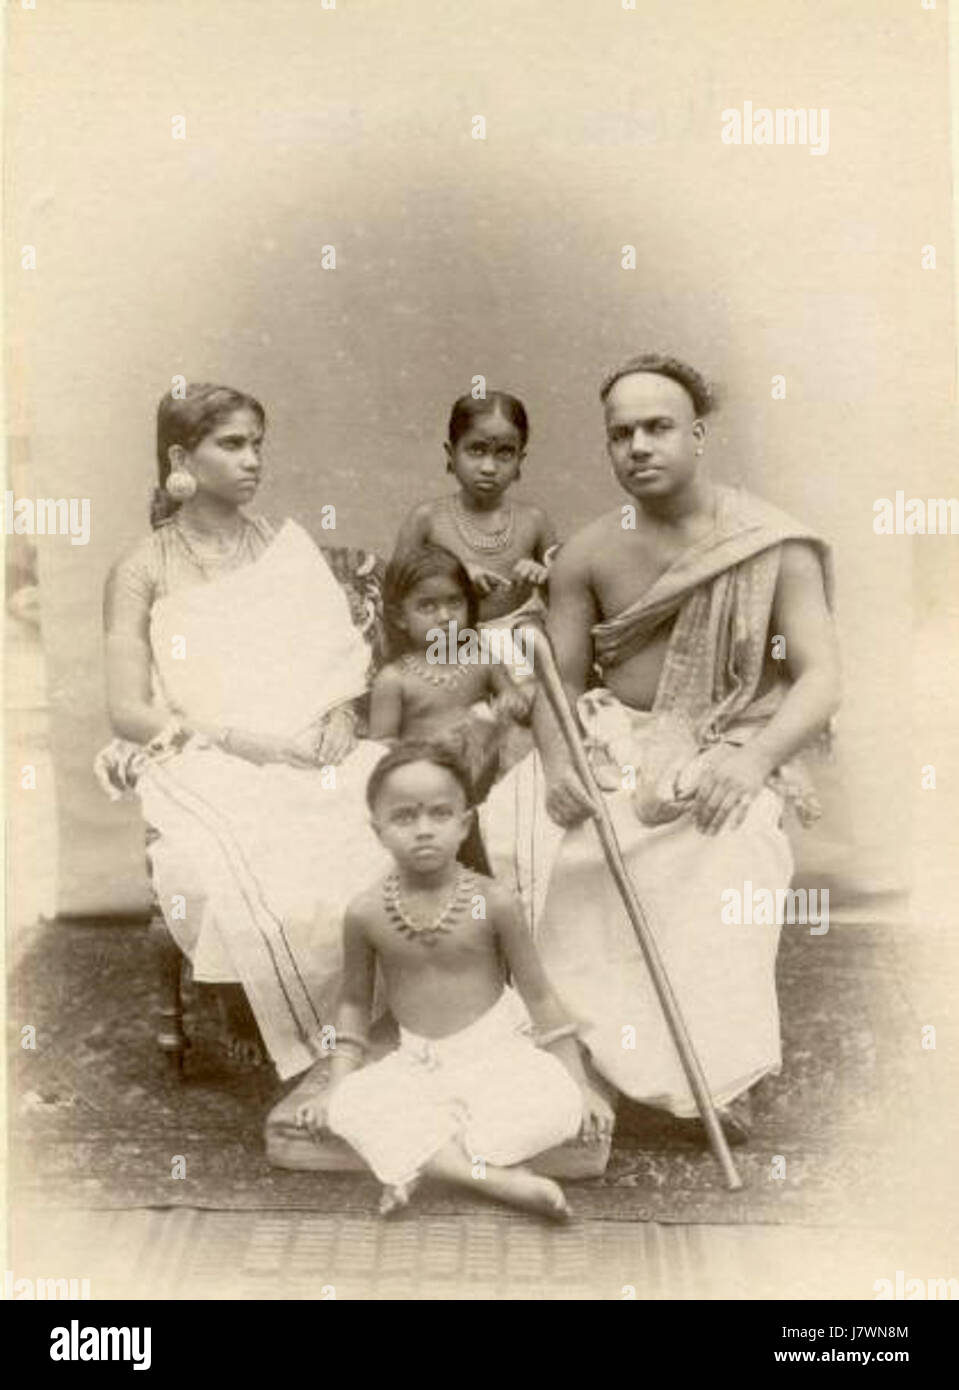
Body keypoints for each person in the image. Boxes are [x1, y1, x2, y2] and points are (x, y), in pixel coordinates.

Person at [482, 353, 840, 1139]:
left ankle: (711, 1077)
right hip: (614, 740)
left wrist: (748, 764)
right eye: (620, 435)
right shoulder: (586, 552)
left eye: (656, 428)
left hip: (726, 739)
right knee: (530, 828)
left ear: (697, 434)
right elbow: (558, 683)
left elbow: (818, 681)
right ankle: (577, 1063)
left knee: (729, 840)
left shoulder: (773, 544)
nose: (638, 447)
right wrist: (555, 764)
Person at [97, 382, 392, 1076]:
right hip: (204, 752)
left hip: (306, 743)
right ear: (181, 457)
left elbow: (335, 664)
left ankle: (376, 1030)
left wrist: (337, 716)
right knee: (244, 843)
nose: (253, 459)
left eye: (257, 443)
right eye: (231, 444)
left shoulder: (284, 546)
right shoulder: (142, 567)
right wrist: (242, 742)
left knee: (381, 815)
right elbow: (128, 711)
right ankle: (276, 1021)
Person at [294, 743, 612, 1218]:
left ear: (465, 824)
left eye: (440, 814)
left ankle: (423, 1162)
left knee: (559, 1103)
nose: (424, 830)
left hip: (498, 1058)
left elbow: (539, 995)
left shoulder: (495, 901)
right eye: (404, 818)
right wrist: (336, 1083)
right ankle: (501, 1182)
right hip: (418, 1064)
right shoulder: (366, 912)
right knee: (350, 1106)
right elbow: (355, 1004)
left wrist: (581, 1083)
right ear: (376, 831)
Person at [369, 543, 532, 799]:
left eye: (455, 602)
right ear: (400, 617)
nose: (445, 617)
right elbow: (380, 748)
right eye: (427, 606)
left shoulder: (482, 662)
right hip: (426, 787)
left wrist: (510, 703)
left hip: (487, 785)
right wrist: (431, 748)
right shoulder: (394, 679)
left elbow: (519, 705)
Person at [392, 391, 558, 624]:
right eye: (477, 450)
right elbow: (395, 592)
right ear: (451, 454)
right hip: (446, 643)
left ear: (520, 459)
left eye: (505, 453)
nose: (489, 467)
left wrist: (542, 576)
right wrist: (453, 575)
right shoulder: (427, 519)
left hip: (519, 641)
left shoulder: (534, 521)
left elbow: (565, 596)